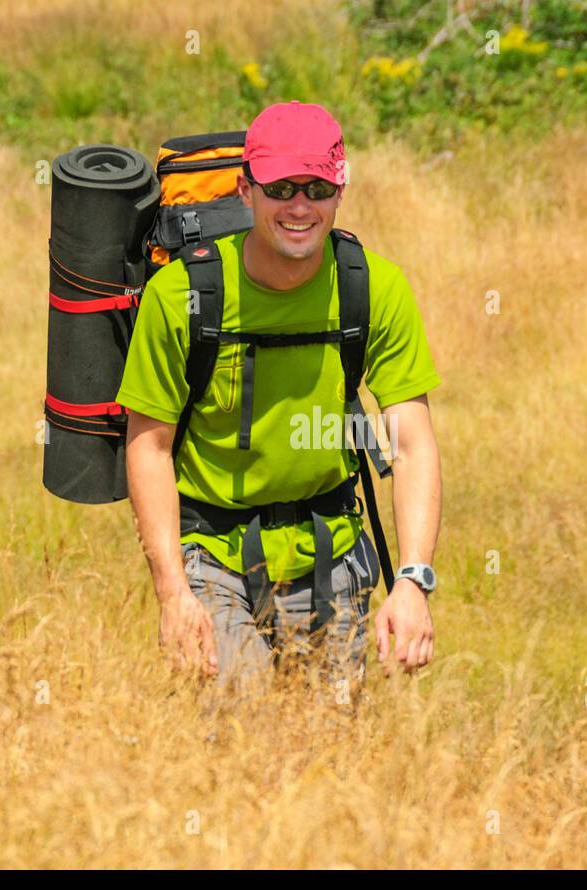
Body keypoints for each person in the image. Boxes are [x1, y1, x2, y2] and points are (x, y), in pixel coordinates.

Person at [119, 100, 442, 705]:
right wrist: (172, 593)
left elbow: (413, 443)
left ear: (340, 190)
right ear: (246, 190)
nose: (300, 206)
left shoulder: (372, 287)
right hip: (212, 552)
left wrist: (413, 581)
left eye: (318, 187)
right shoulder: (182, 296)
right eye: (281, 188)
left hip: (333, 550)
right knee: (242, 731)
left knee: (331, 755)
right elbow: (149, 444)